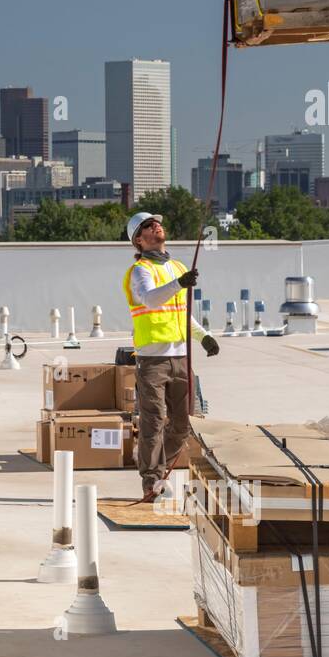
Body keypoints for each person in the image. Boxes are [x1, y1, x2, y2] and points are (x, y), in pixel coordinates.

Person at [123, 211, 219, 498]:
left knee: (182, 423)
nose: (156, 226)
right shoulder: (140, 271)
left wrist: (204, 337)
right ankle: (151, 481)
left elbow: (182, 312)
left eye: (158, 223)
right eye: (148, 226)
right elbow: (152, 300)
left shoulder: (177, 266)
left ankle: (160, 472)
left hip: (181, 356)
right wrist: (180, 283)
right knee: (153, 420)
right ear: (139, 240)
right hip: (152, 358)